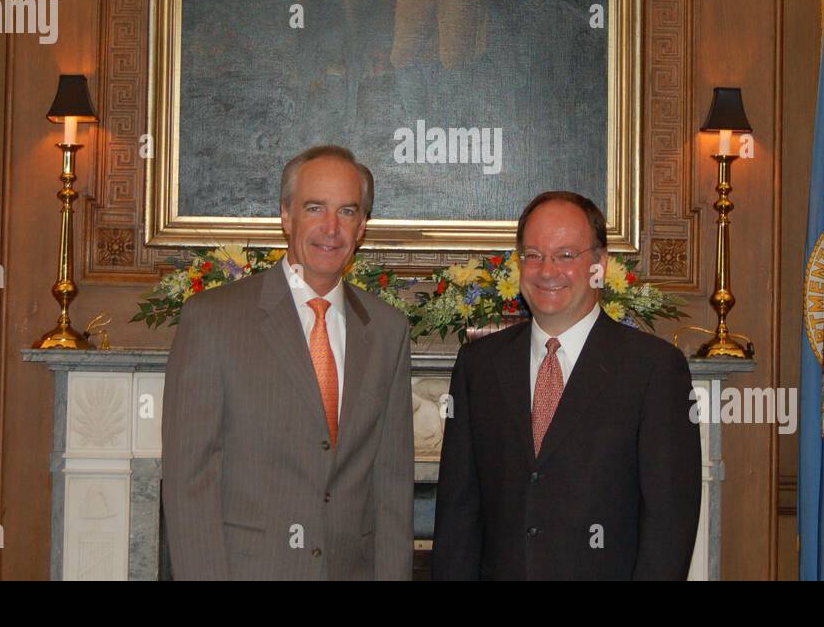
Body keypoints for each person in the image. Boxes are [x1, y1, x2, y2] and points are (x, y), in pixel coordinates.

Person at [162, 145, 413, 579]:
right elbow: (189, 485)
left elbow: (391, 490)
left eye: (347, 211)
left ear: (362, 227)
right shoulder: (213, 320)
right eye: (314, 207)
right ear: (286, 215)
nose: (330, 228)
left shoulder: (387, 330)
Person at [432, 191, 701, 580]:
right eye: (534, 254)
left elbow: (669, 525)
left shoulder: (654, 370)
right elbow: (458, 513)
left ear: (599, 265)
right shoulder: (479, 366)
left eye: (566, 255)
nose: (547, 270)